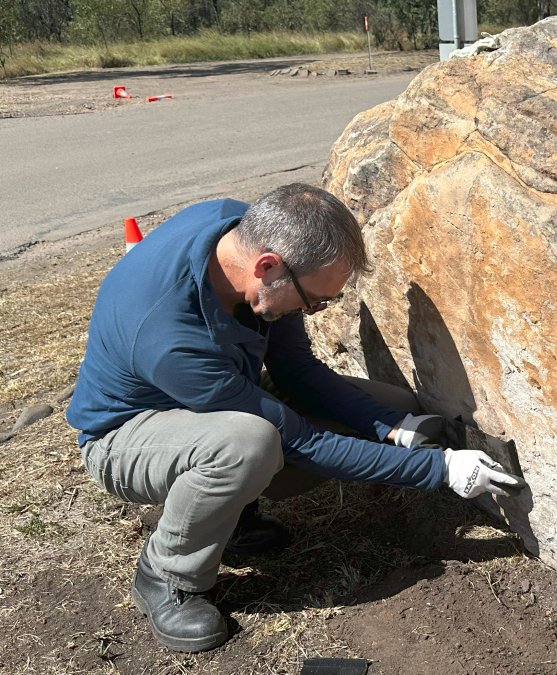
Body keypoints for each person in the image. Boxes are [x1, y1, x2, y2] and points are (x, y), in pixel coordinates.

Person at [66, 183, 524, 653]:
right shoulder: (168, 333)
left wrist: (394, 427)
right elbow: (300, 441)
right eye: (313, 301)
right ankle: (167, 575)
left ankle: (228, 514)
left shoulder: (243, 233)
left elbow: (295, 370)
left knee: (390, 402)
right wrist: (440, 469)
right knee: (248, 445)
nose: (312, 311)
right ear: (268, 267)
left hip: (215, 401)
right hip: (126, 438)